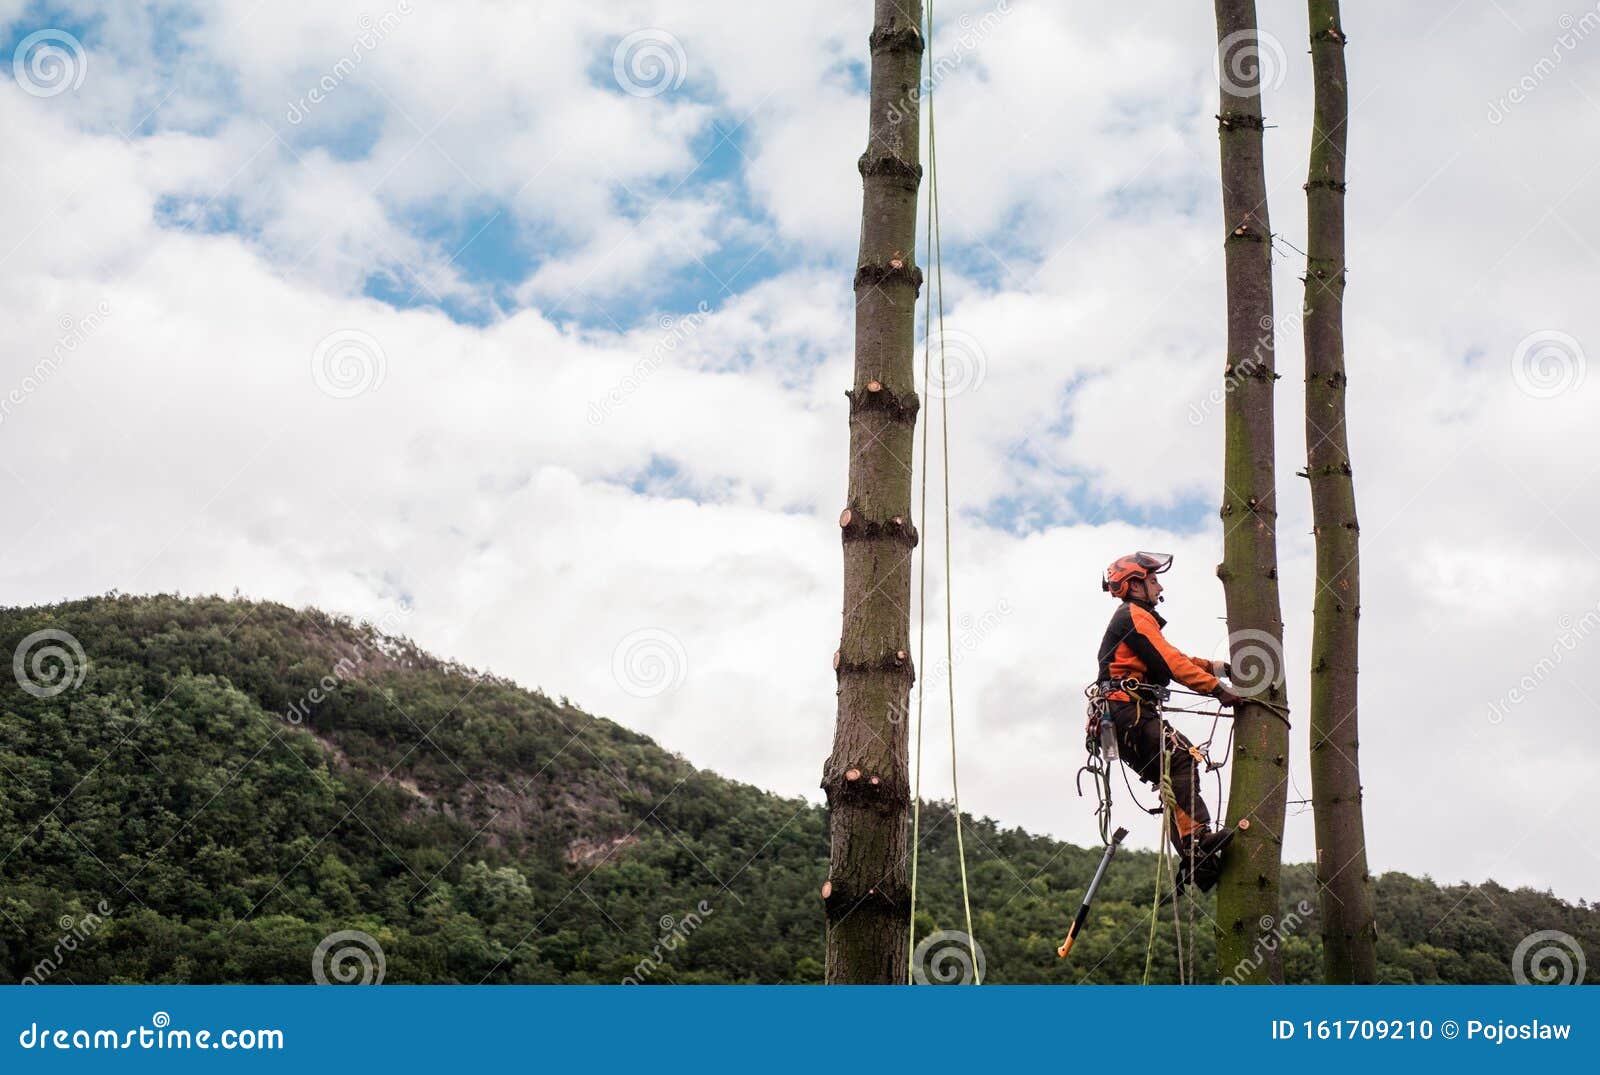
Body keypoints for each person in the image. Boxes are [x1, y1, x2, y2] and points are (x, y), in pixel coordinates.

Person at [1096, 551, 1243, 892]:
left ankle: (1197, 860)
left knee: (1173, 773)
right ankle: (1197, 842)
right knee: (1179, 757)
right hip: (1124, 712)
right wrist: (1218, 690)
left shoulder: (1137, 619)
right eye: (1153, 580)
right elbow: (1173, 664)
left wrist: (1220, 668)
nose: (1159, 586)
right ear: (1135, 585)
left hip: (1124, 718)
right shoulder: (1133, 615)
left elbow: (1175, 658)